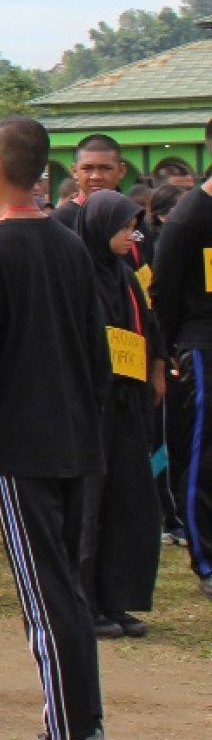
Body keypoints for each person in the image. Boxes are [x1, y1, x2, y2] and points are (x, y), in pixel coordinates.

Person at [0, 116, 115, 740]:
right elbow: (97, 357)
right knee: (65, 588)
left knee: (46, 597)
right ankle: (88, 727)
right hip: (75, 441)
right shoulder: (70, 245)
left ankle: (65, 738)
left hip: (21, 447)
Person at [77, 190, 163, 639]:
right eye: (123, 227)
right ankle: (84, 601)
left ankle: (117, 597)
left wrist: (156, 368)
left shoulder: (127, 277)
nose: (131, 236)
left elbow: (149, 325)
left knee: (128, 501)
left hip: (127, 401)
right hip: (93, 405)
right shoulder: (79, 275)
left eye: (133, 228)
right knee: (90, 505)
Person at [154, 169, 212, 596]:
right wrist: (168, 351)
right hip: (203, 349)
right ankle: (206, 559)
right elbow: (166, 292)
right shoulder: (190, 218)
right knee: (203, 460)